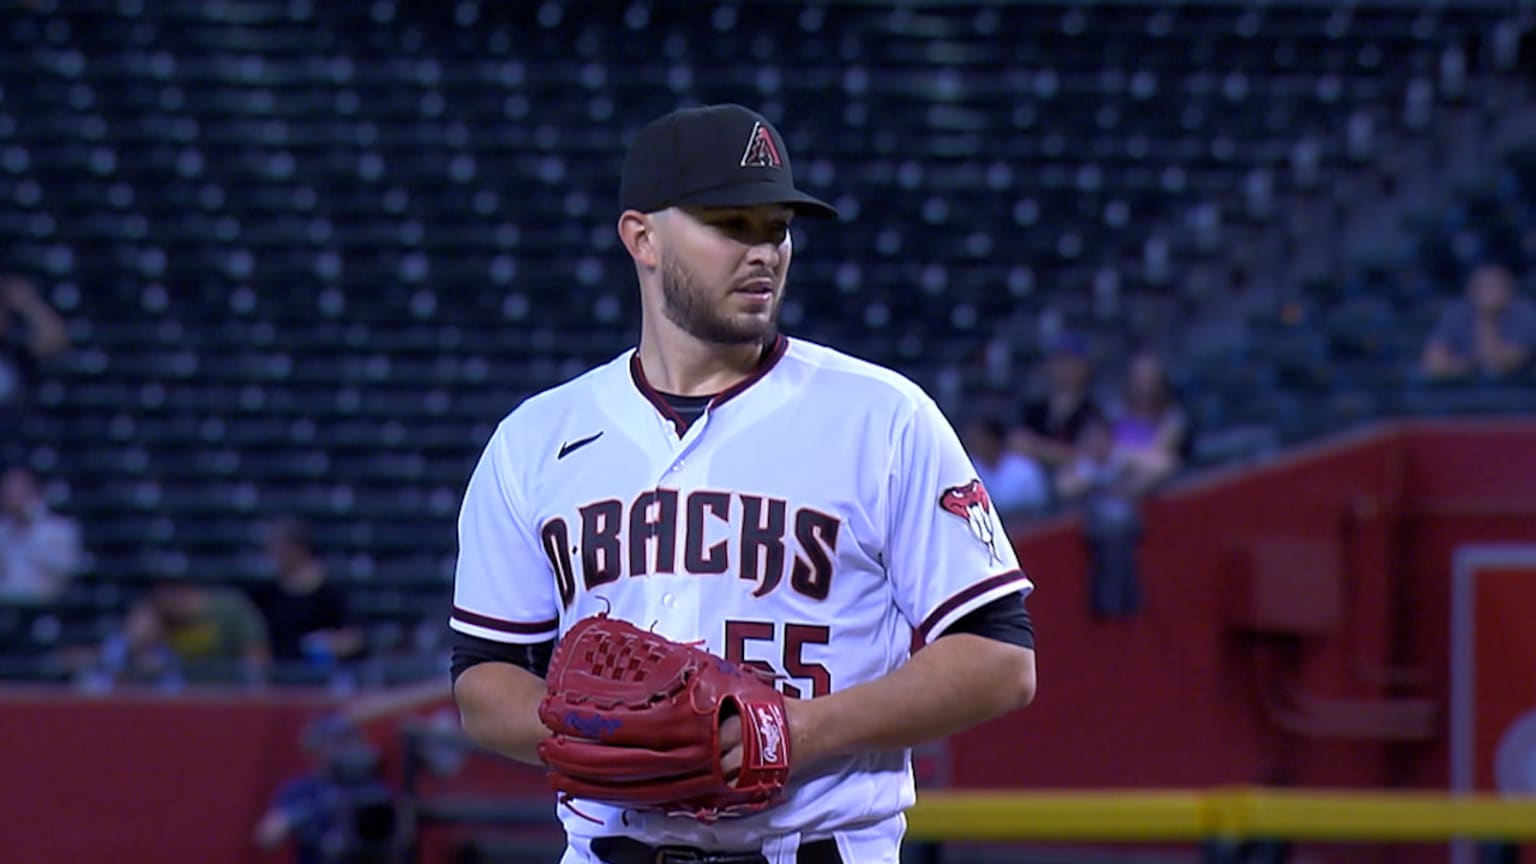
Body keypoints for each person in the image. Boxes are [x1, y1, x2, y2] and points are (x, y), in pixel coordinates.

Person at [448, 104, 1037, 864]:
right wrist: (606, 736)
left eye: (777, 228)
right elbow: (484, 679)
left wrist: (796, 730)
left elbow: (999, 659)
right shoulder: (535, 439)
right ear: (642, 238)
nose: (763, 252)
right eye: (731, 225)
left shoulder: (883, 418)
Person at [248, 517, 363, 673]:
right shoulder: (265, 593)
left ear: (298, 549)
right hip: (277, 677)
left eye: (279, 549)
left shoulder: (330, 592)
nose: (273, 555)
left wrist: (329, 643)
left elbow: (353, 638)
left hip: (320, 676)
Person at [1420, 262, 1536, 380]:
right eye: (1480, 287)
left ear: (1508, 290)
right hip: (1465, 383)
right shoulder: (1456, 312)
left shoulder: (1526, 314)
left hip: (1515, 384)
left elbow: (1500, 362)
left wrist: (1487, 316)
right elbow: (1434, 363)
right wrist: (1467, 367)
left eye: (1493, 286)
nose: (1486, 292)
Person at [1010, 331, 1105, 470]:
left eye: (1069, 361)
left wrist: (1038, 449)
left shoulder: (1092, 412)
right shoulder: (1035, 410)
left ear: (1084, 367)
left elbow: (1089, 457)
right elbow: (1017, 443)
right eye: (1058, 361)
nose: (1062, 368)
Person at [0, 467, 84, 601]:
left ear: (34, 492)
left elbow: (68, 569)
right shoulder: (2, 531)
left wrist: (29, 526)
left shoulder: (60, 529)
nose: (13, 497)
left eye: (20, 491)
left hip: (47, 604)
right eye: (8, 492)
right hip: (6, 603)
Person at [962, 415, 1051, 518]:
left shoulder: (1025, 469)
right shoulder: (969, 470)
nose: (974, 442)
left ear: (993, 438)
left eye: (980, 437)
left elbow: (1041, 510)